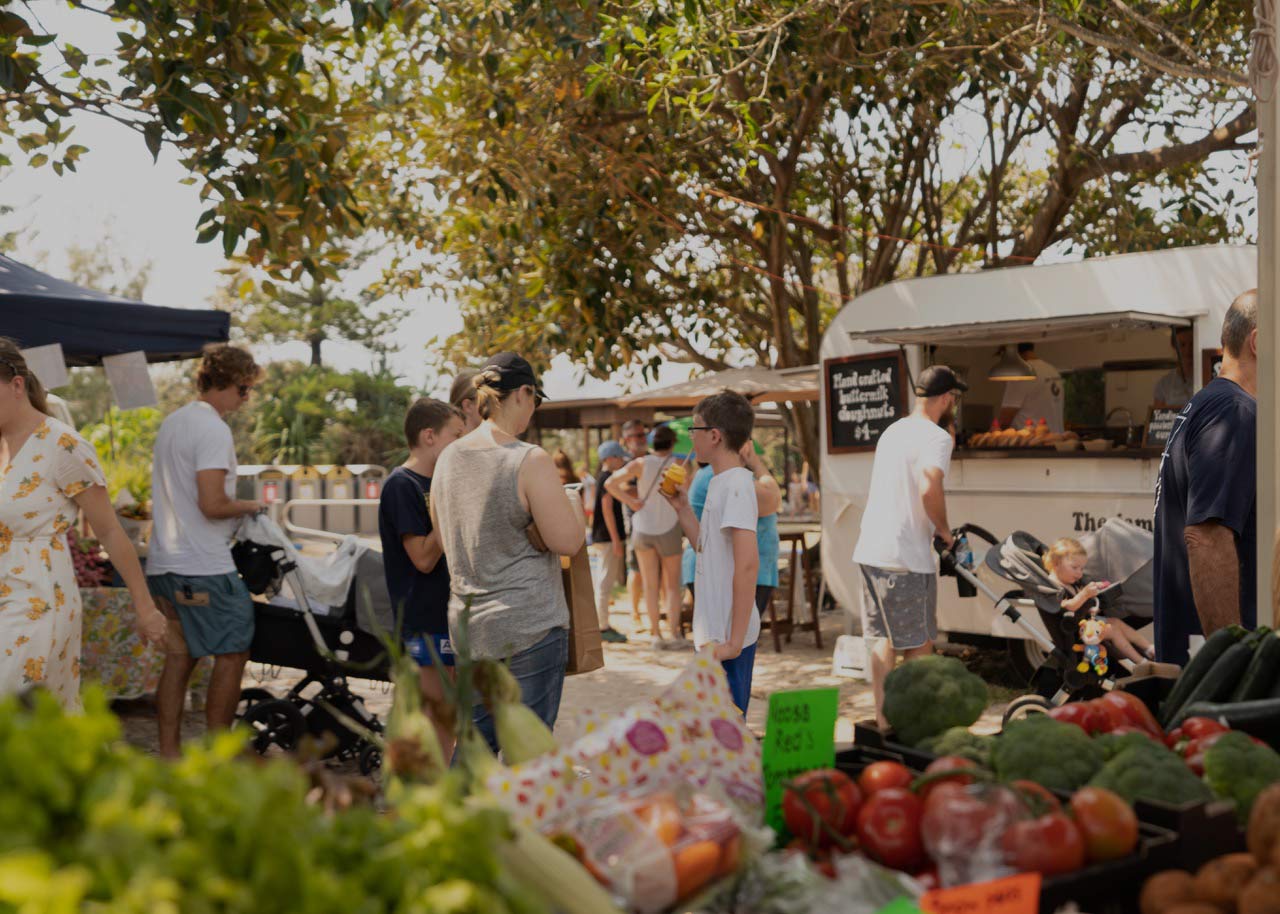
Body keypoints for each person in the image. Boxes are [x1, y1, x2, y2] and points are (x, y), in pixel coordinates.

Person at [0, 340, 166, 708]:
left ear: (15, 385)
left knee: (15, 713)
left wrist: (145, 607)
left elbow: (109, 531)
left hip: (36, 599)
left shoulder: (64, 445)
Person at [431, 352, 583, 748]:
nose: (534, 409)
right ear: (524, 393)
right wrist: (576, 506)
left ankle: (462, 811)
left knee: (475, 750)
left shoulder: (448, 457)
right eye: (536, 399)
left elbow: (446, 537)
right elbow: (568, 541)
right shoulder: (528, 459)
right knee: (529, 756)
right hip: (529, 627)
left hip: (470, 627)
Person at [147, 345, 264, 757]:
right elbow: (212, 503)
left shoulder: (173, 423)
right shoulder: (213, 429)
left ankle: (169, 755)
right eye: (245, 390)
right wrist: (251, 505)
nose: (245, 399)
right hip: (201, 566)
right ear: (231, 383)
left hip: (163, 564)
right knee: (233, 652)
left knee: (180, 659)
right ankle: (219, 759)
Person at [852, 365, 965, 729]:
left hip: (871, 549)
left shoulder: (892, 430)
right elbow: (929, 485)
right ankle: (916, 724)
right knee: (918, 643)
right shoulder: (936, 437)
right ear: (947, 398)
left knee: (883, 640)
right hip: (905, 555)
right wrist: (945, 530)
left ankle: (885, 722)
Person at [1154, 291, 1258, 665]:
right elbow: (1207, 538)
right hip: (1221, 661)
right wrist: (1233, 662)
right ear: (1259, 342)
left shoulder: (1205, 403)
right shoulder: (1235, 411)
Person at [378, 397, 465, 756]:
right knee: (436, 724)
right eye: (456, 435)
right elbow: (424, 558)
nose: (462, 444)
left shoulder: (439, 482)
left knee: (451, 721)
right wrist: (451, 503)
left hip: (450, 618)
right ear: (429, 436)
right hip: (423, 623)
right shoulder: (403, 485)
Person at [665, 391, 760, 714]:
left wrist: (733, 642)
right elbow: (707, 550)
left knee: (726, 736)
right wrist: (682, 509)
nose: (691, 437)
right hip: (713, 634)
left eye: (696, 429)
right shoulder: (719, 482)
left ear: (715, 436)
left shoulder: (736, 485)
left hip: (728, 639)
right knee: (709, 736)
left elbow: (748, 565)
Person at [607, 424, 690, 649]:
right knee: (672, 585)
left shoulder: (640, 464)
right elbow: (685, 495)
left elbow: (609, 483)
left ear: (653, 442)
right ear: (673, 443)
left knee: (650, 585)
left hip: (642, 528)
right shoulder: (681, 465)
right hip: (669, 526)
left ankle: (655, 635)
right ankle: (673, 634)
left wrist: (631, 501)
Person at [682, 444, 782, 631]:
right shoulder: (720, 475)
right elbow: (772, 501)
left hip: (746, 573)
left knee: (728, 646)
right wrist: (758, 464)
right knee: (728, 646)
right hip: (729, 574)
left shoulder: (733, 475)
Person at [1042, 537, 1155, 663]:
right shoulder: (1053, 586)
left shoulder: (1069, 581)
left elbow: (1080, 603)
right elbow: (1067, 606)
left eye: (1081, 569)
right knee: (1113, 630)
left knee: (1116, 622)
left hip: (1087, 622)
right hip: (1075, 630)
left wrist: (1093, 591)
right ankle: (1140, 662)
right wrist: (1084, 594)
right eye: (1075, 568)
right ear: (1056, 563)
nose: (1079, 573)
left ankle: (1148, 648)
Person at [590, 440, 630, 644]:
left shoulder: (602, 478)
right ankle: (602, 625)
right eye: (619, 456)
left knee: (603, 581)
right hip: (607, 538)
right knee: (605, 582)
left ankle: (602, 622)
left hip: (602, 536)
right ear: (609, 458)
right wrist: (616, 540)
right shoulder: (607, 479)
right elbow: (607, 510)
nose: (622, 460)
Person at [620, 419, 649, 630]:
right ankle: (635, 612)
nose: (641, 439)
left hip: (656, 521)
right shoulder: (626, 463)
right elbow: (623, 488)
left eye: (642, 434)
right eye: (636, 436)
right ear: (626, 440)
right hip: (635, 522)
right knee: (636, 570)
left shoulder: (651, 459)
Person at [998, 342, 1064, 433]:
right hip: (1056, 441)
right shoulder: (1052, 370)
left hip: (1032, 443)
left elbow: (1004, 422)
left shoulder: (1020, 373)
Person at [1154, 327, 1196, 409]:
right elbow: (1158, 418)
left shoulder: (1208, 378)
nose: (1188, 350)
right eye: (1182, 344)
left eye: (1192, 344)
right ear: (1174, 347)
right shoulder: (1164, 384)